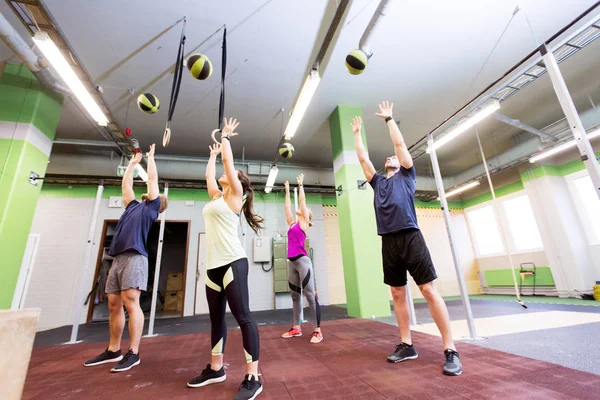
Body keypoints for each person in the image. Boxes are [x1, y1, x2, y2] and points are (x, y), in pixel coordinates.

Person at [351, 101, 462, 376]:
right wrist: (356, 134)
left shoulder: (407, 176)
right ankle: (406, 344)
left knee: (427, 290)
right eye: (386, 158)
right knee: (397, 293)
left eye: (393, 158)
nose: (389, 158)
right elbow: (364, 160)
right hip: (388, 241)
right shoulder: (378, 183)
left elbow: (400, 147)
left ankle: (450, 349)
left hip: (411, 237)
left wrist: (389, 120)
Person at [187, 118, 264, 400]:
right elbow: (210, 178)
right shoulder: (217, 198)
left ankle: (253, 376)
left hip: (233, 262)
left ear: (237, 184)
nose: (224, 173)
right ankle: (216, 368)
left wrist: (227, 138)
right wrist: (211, 156)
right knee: (216, 319)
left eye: (231, 174)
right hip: (212, 267)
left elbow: (229, 167)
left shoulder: (235, 197)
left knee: (243, 317)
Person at [84, 144, 168, 372]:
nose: (148, 195)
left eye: (153, 196)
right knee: (113, 304)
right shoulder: (132, 207)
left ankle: (134, 352)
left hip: (135, 257)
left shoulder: (151, 209)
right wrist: (131, 165)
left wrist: (150, 159)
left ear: (157, 203)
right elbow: (126, 186)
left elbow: (152, 180)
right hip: (118, 259)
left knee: (131, 302)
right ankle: (113, 349)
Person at [280, 174, 323, 343]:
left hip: (303, 261)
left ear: (307, 216)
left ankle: (317, 330)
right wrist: (287, 190)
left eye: (305, 212)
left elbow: (303, 203)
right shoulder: (292, 224)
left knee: (310, 295)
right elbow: (286, 209)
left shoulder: (304, 224)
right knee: (295, 296)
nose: (302, 210)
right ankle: (296, 328)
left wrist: (301, 185)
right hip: (291, 262)